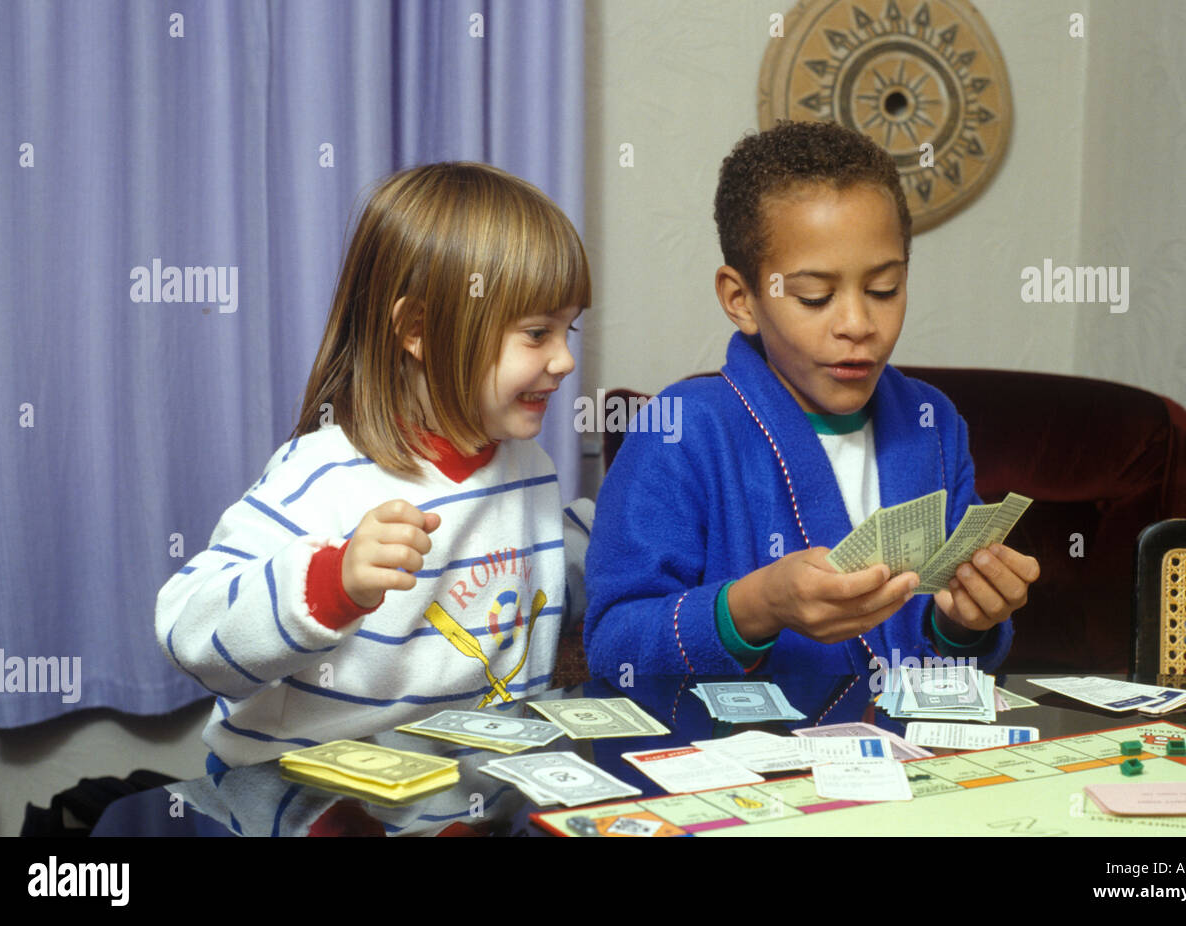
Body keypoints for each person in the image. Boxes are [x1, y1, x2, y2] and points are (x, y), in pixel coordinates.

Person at [157, 162, 593, 767]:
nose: (564, 360)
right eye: (537, 333)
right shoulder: (322, 474)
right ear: (419, 329)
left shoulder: (531, 467)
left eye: (568, 330)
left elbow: (560, 580)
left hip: (460, 796)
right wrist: (329, 584)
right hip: (299, 802)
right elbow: (188, 630)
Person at [584, 121, 1039, 680]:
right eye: (814, 296)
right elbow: (613, 645)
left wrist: (970, 621)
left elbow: (945, 637)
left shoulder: (931, 422)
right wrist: (757, 606)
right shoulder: (682, 429)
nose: (857, 324)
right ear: (741, 298)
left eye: (884, 290)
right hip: (748, 759)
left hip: (904, 754)